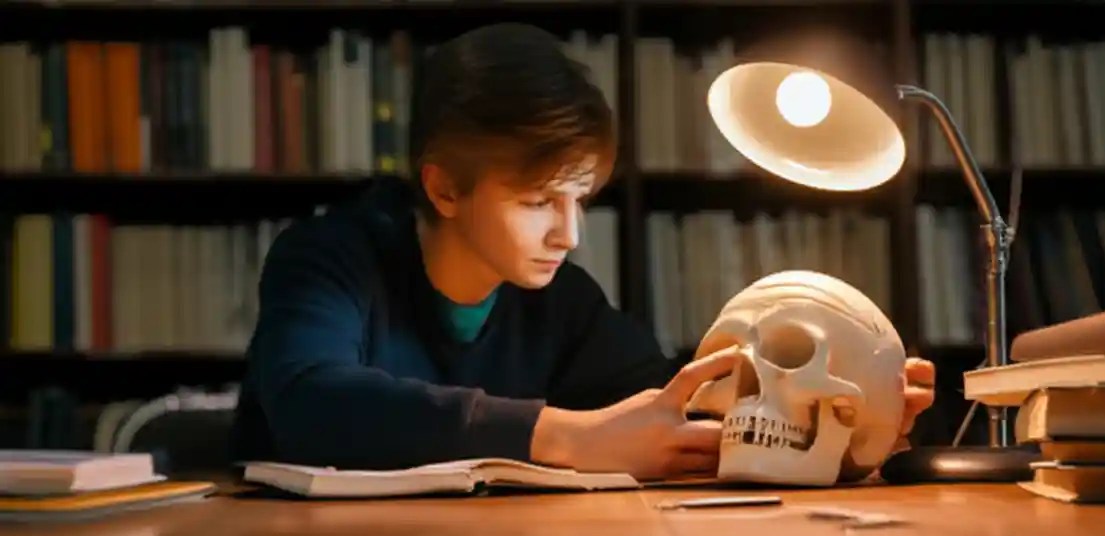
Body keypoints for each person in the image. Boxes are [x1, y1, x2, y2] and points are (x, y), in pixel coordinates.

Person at [229, 22, 935, 479]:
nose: (568, 235)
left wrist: (845, 416)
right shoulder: (329, 259)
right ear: (444, 188)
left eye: (581, 199)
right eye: (538, 202)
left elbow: (674, 413)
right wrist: (561, 436)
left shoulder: (561, 302)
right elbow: (310, 402)